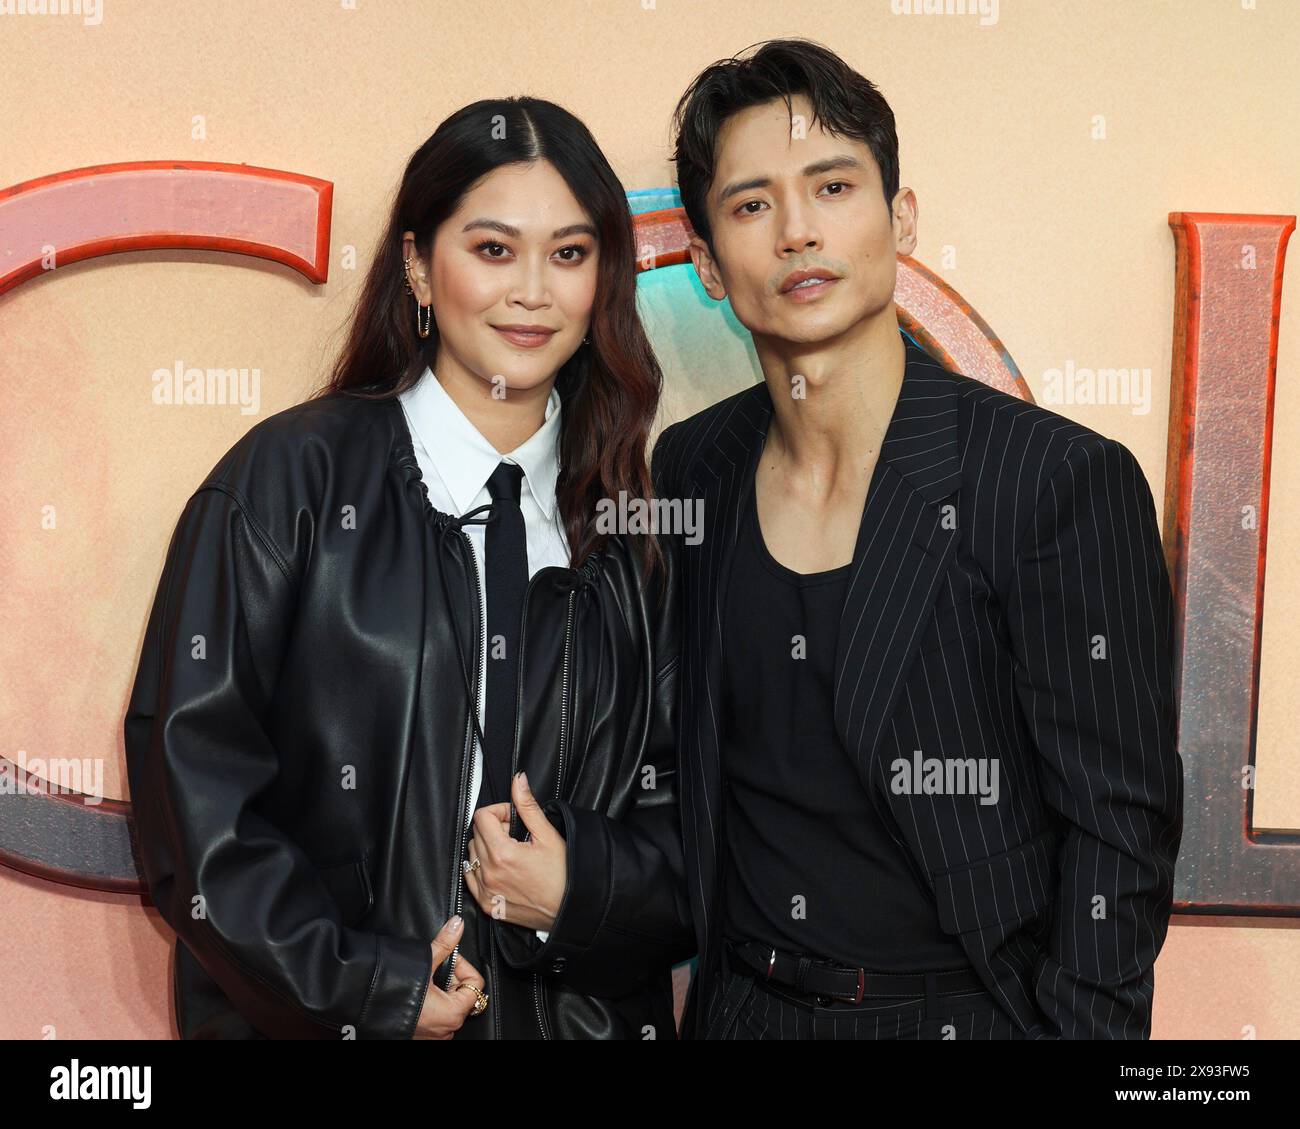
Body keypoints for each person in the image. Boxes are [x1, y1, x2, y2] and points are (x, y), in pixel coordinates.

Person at [124, 96, 694, 1040]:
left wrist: (582, 890)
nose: (533, 293)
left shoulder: (637, 533)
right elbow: (195, 796)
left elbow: (699, 832)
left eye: (570, 253)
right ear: (419, 264)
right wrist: (371, 989)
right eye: (493, 249)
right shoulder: (290, 482)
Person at [653, 38, 1184, 1039]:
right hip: (742, 1010)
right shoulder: (694, 470)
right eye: (752, 204)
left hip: (962, 1015)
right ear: (708, 264)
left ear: (899, 219)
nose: (798, 232)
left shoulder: (1055, 481)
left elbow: (1122, 834)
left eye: (833, 186)